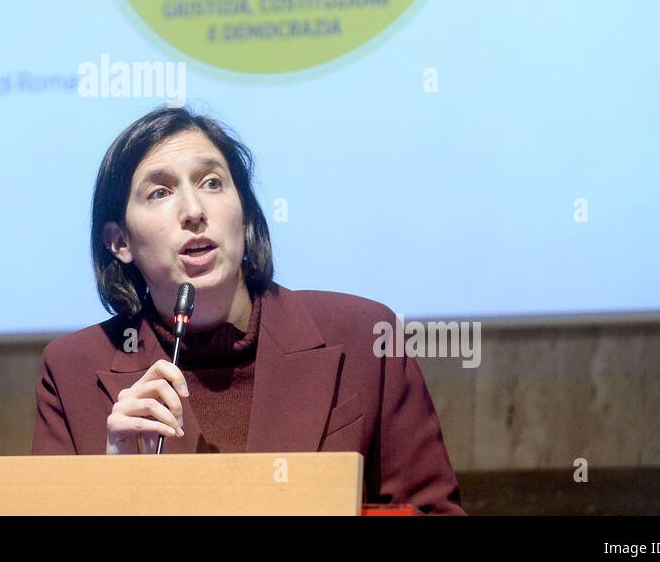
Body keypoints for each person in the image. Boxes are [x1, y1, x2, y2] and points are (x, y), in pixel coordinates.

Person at [31, 103, 466, 515]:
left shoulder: (365, 338)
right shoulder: (72, 373)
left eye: (212, 182)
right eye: (160, 191)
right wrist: (113, 489)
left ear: (245, 215)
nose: (194, 211)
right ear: (119, 241)